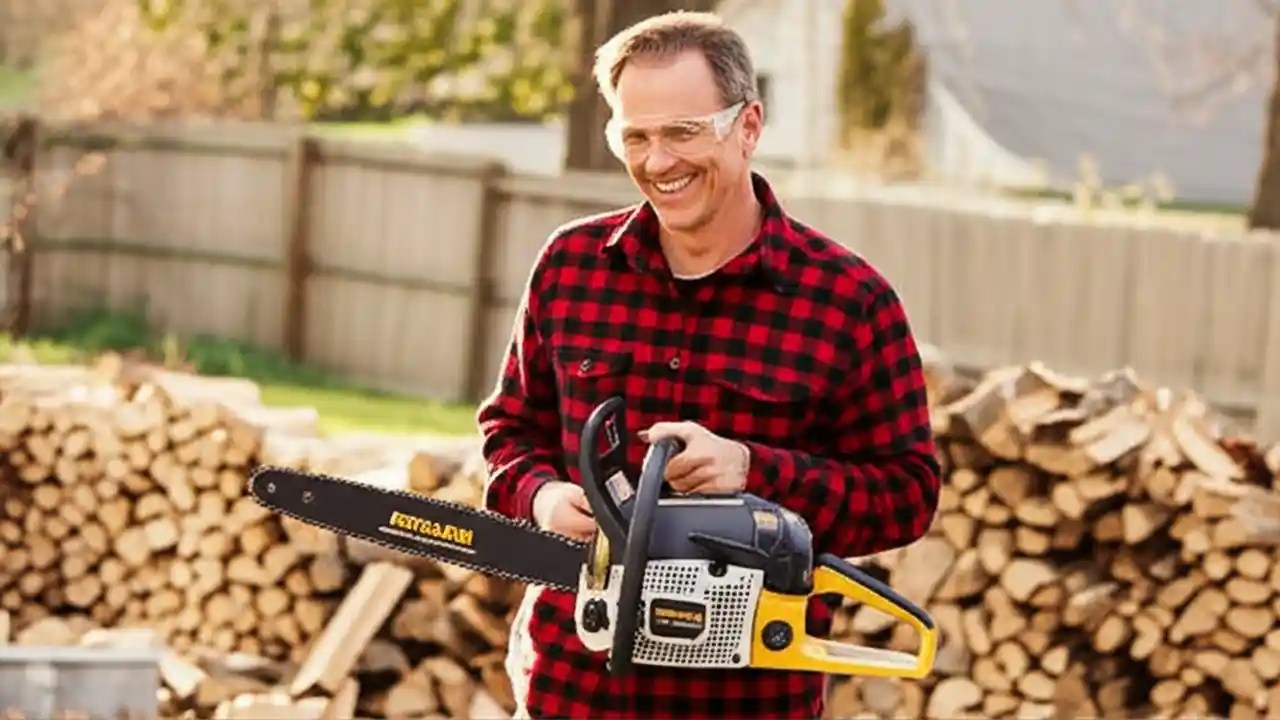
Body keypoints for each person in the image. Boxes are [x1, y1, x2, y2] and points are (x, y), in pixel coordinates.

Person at [475, 9, 941, 719]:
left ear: (748, 126)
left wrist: (755, 472)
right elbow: (510, 429)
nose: (658, 162)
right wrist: (539, 496)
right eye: (637, 136)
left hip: (745, 700)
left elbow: (907, 493)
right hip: (575, 690)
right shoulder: (571, 268)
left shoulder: (848, 302)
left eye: (683, 132)